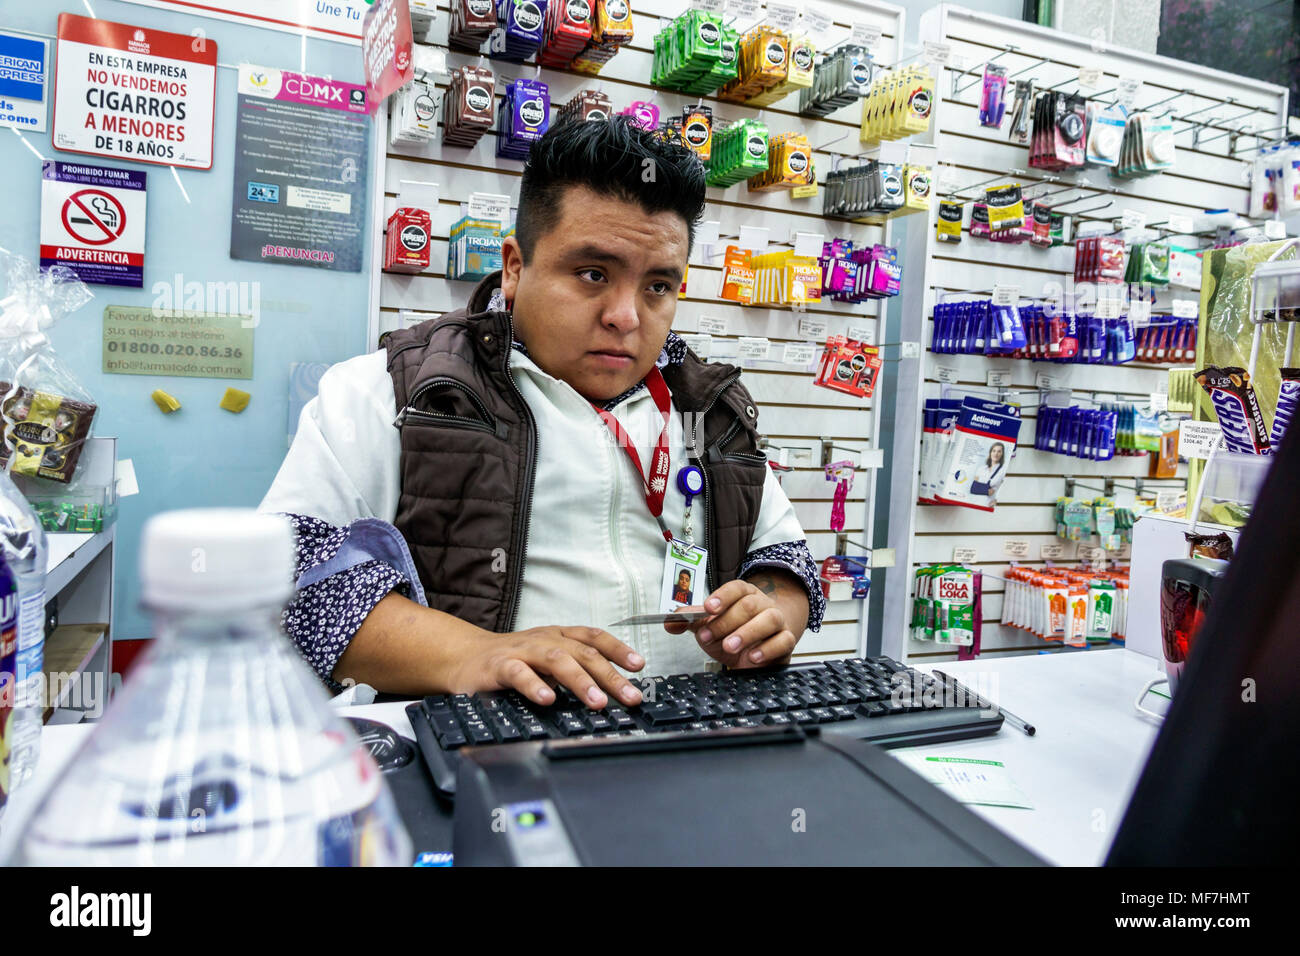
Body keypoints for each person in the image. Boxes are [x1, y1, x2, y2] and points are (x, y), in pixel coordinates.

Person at [260, 117, 825, 712]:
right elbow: (285, 577)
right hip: (485, 760)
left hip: (697, 748)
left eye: (658, 286)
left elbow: (783, 558)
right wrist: (475, 653)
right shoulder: (399, 391)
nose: (626, 316)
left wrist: (771, 610)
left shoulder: (711, 408)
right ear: (514, 268)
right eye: (592, 274)